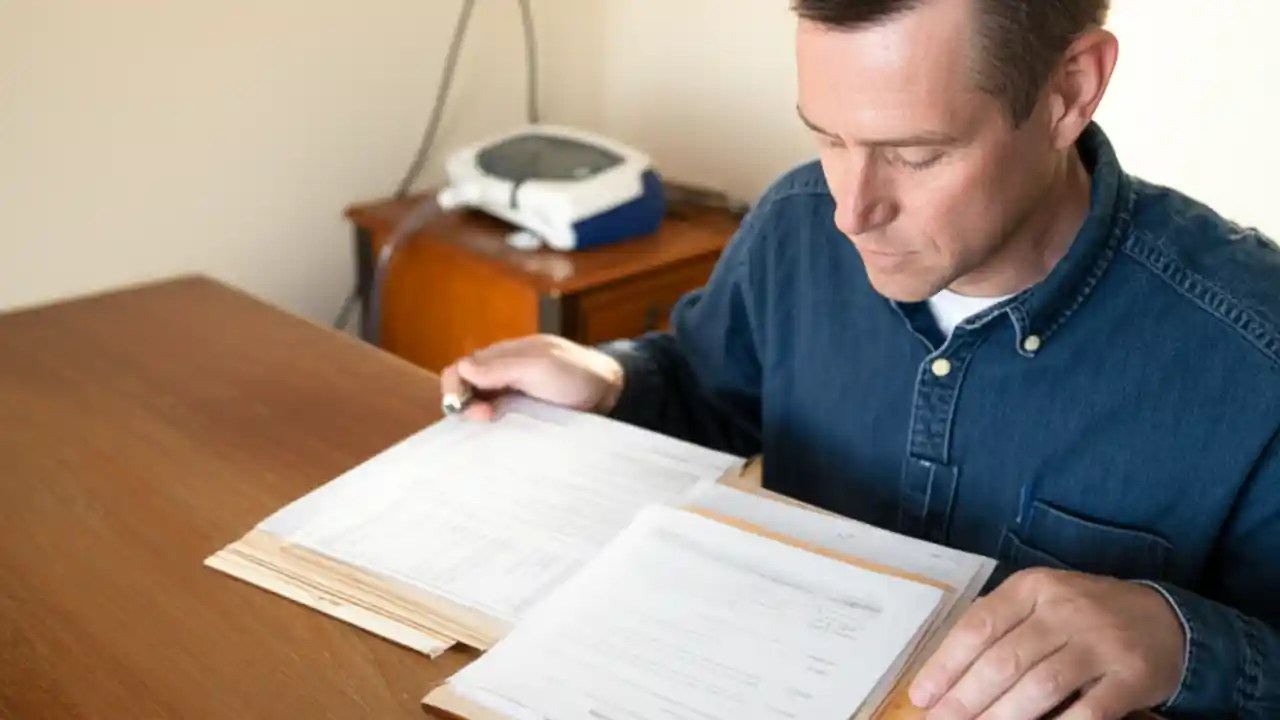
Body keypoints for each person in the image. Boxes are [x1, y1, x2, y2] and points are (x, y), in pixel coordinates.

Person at [440, 0, 1280, 717]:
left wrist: (1178, 640)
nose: (852, 211)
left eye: (916, 155)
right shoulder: (796, 221)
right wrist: (615, 380)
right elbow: (708, 387)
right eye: (829, 138)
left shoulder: (1254, 352)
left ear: (1070, 91)